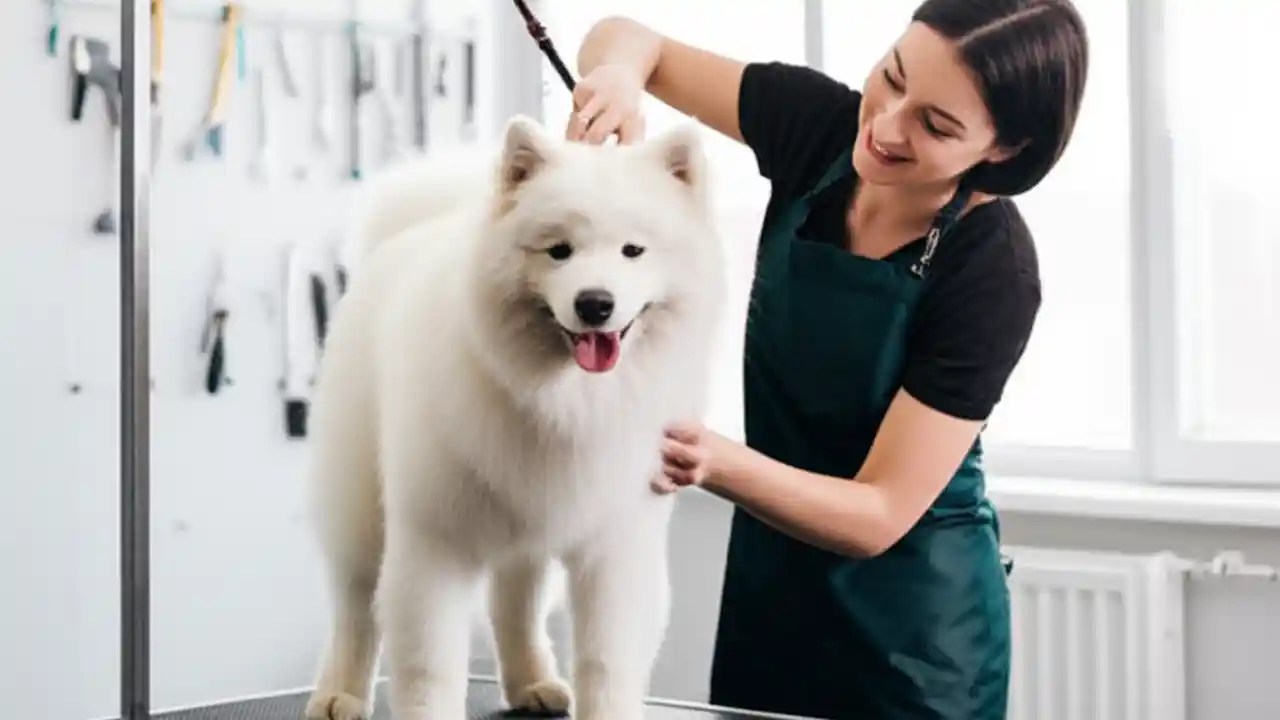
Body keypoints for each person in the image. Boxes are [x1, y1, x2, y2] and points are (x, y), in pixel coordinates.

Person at [568, 0, 1087, 717]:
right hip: (773, 591)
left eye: (936, 124)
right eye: (892, 76)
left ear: (1002, 150)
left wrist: (709, 457)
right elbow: (627, 37)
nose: (886, 125)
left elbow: (879, 513)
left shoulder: (991, 270)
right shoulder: (816, 126)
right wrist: (621, 76)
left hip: (916, 637)